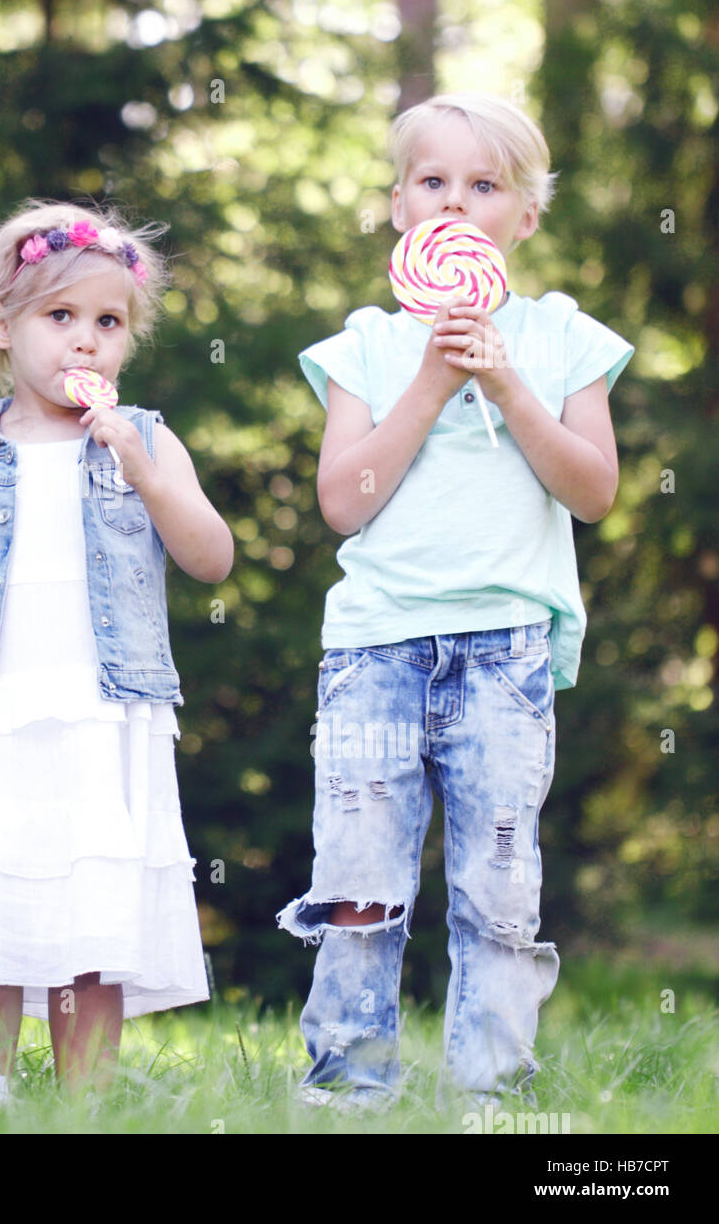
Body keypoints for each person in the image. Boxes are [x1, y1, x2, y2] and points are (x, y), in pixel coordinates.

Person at [278, 92, 634, 1108]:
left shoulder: (563, 337)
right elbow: (343, 505)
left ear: (524, 216)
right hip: (374, 649)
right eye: (432, 182)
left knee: (496, 889)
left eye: (483, 186)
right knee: (358, 884)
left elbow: (595, 491)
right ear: (398, 209)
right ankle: (346, 1087)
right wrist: (431, 382)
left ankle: (491, 1093)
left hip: (505, 651)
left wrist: (509, 382)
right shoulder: (366, 347)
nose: (454, 202)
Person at [0, 202, 233, 1101]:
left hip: (100, 711)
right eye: (60, 317)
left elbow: (211, 557)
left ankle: (88, 1098)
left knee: (91, 912)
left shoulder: (145, 438)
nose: (86, 343)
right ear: (1, 325)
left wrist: (141, 468)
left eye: (108, 323)